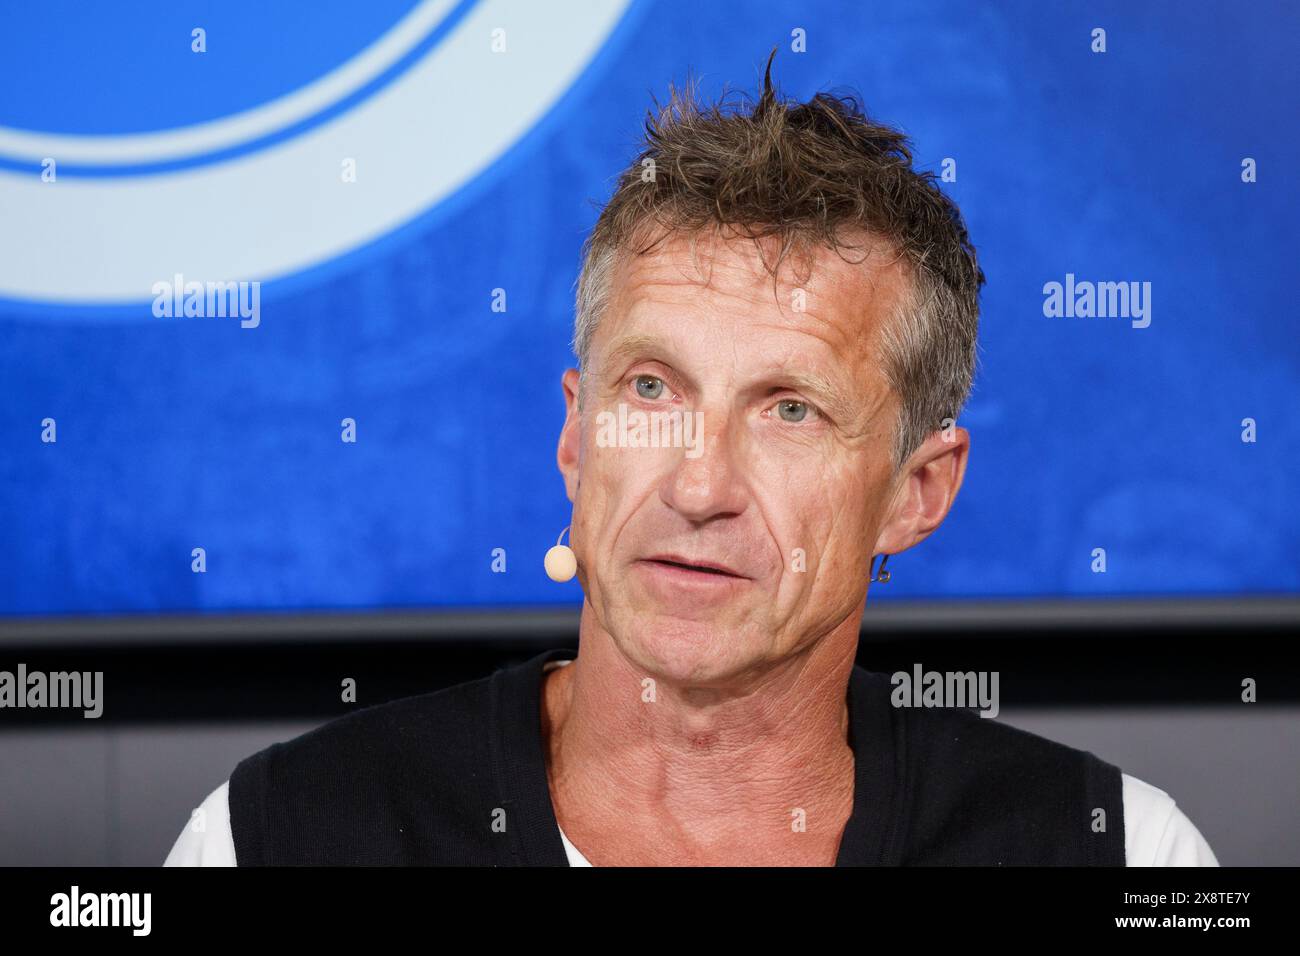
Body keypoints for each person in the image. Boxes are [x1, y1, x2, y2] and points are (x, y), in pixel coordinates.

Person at [167, 57, 1217, 867]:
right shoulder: (273, 840)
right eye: (652, 389)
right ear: (577, 438)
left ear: (915, 491)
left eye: (790, 409)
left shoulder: (1114, 849)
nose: (698, 485)